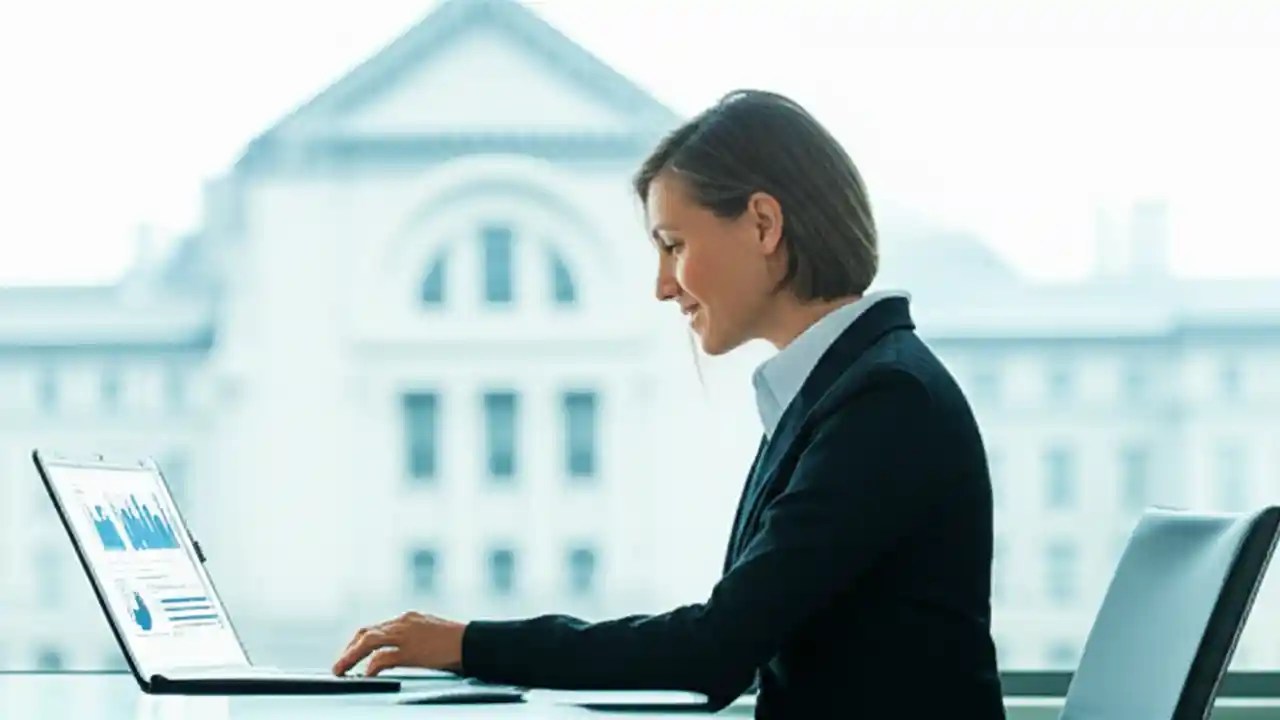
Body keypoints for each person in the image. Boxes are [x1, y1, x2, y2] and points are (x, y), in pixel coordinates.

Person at [332, 89, 1005, 718]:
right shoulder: (841, 388)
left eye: (673, 246)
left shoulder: (884, 401)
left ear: (764, 224)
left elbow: (716, 650)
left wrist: (466, 642)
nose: (662, 286)